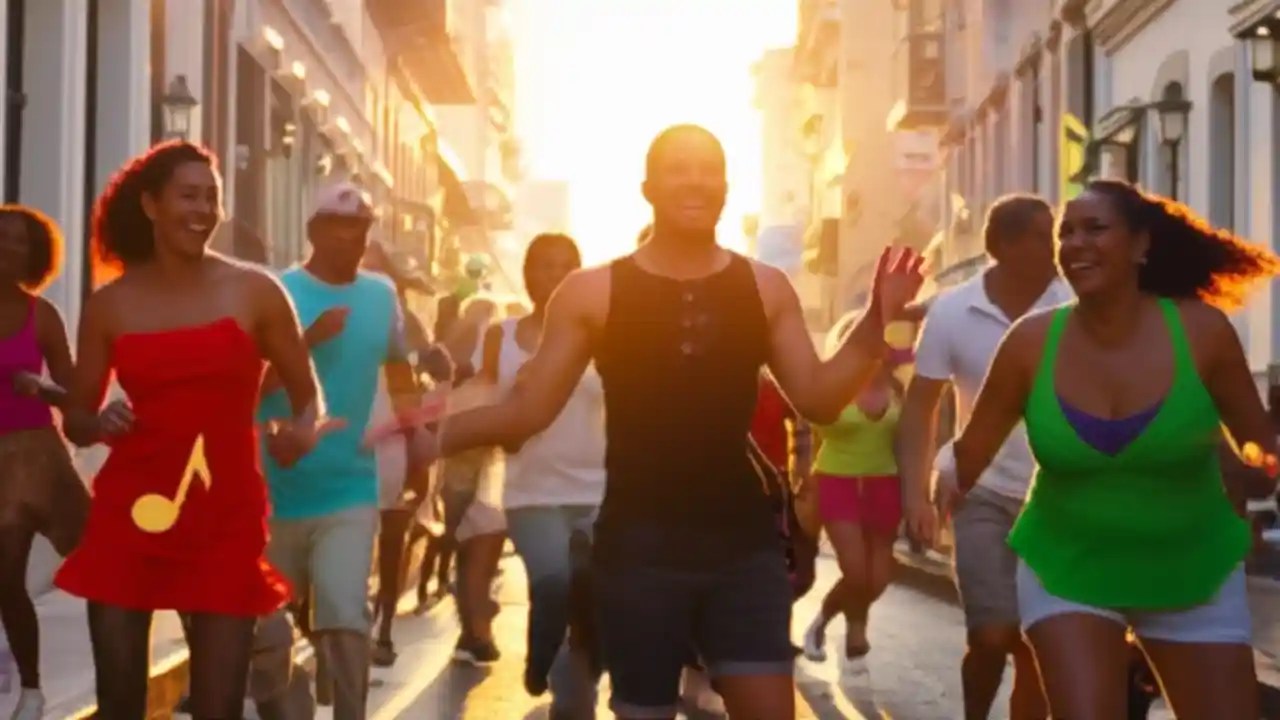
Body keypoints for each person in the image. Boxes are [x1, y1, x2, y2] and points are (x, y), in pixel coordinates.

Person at [420, 124, 924, 719]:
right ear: (647, 188)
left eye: (708, 167)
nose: (694, 180)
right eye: (678, 168)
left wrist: (875, 324)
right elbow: (528, 413)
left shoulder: (766, 288)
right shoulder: (591, 293)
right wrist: (434, 436)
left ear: (726, 186)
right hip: (638, 549)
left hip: (743, 547)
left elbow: (815, 397)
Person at [952, 179, 1280, 718]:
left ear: (1140, 245)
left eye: (1095, 229)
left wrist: (1244, 468)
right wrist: (937, 483)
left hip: (1190, 566)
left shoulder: (1202, 333)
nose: (1075, 244)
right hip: (1069, 566)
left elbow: (1259, 451)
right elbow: (969, 454)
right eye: (1066, 233)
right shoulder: (1030, 344)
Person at [54, 141, 329, 720]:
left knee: (218, 707)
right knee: (120, 703)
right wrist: (100, 421)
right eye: (188, 195)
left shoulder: (256, 291)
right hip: (130, 511)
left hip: (222, 514)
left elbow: (307, 396)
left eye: (212, 197)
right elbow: (77, 419)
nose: (202, 209)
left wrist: (303, 432)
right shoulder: (111, 305)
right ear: (151, 204)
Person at [897, 193, 1066, 720]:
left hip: (1061, 498)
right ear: (1003, 247)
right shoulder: (952, 309)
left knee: (1042, 643)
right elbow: (921, 406)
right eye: (1041, 236)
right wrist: (915, 497)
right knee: (992, 634)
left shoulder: (1075, 302)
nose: (1055, 245)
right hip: (981, 490)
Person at [256, 181, 421, 720]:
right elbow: (246, 386)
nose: (351, 237)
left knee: (346, 610)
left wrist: (417, 434)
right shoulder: (276, 293)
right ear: (312, 231)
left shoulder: (382, 295)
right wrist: (306, 340)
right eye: (338, 225)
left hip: (349, 484)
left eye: (360, 227)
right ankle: (294, 696)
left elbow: (399, 368)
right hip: (273, 489)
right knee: (265, 630)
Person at [484, 233, 605, 715]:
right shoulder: (503, 336)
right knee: (554, 580)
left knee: (593, 592)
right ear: (526, 274)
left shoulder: (605, 336)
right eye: (544, 266)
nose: (554, 278)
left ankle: (580, 688)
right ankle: (540, 658)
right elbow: (492, 415)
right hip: (532, 493)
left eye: (566, 267)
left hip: (599, 489)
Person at [0, 206, 88, 720]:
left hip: (36, 456)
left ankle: (35, 690)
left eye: (18, 243)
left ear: (35, 256)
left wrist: (42, 388)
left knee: (101, 559)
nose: (7, 249)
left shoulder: (44, 315)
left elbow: (76, 396)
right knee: (6, 576)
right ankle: (30, 687)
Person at [799, 310, 905, 685]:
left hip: (885, 483)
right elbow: (808, 432)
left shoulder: (896, 390)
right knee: (856, 571)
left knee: (877, 579)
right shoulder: (833, 388)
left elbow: (907, 440)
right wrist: (803, 480)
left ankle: (829, 619)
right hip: (837, 480)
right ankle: (840, 629)